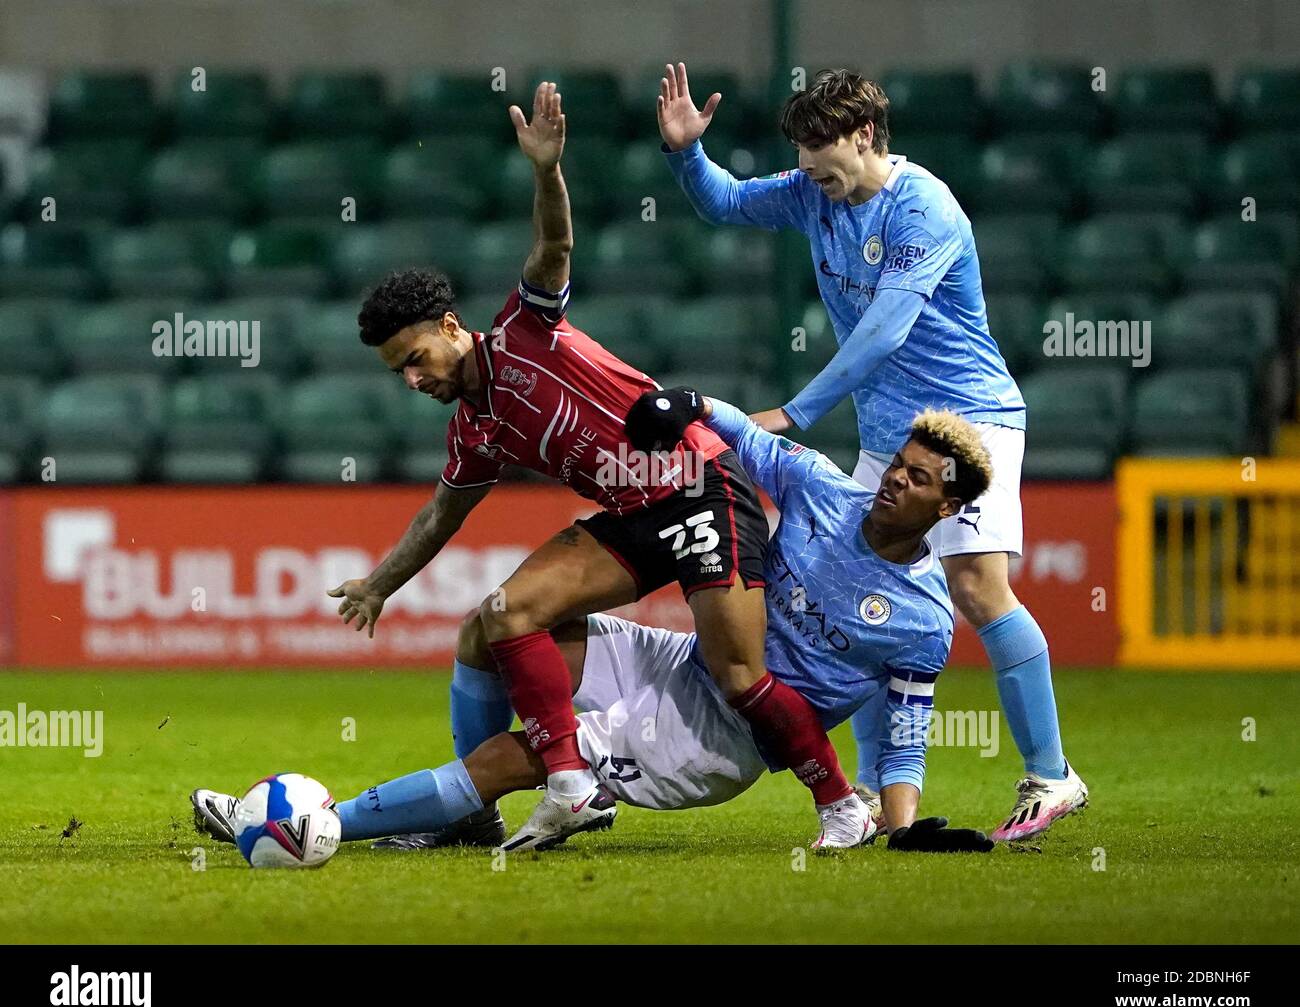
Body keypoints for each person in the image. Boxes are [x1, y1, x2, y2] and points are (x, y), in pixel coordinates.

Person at [326, 81, 869, 851]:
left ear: (452, 326)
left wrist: (547, 170)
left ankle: (842, 802)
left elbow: (554, 250)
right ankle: (560, 786)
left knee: (738, 674)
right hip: (636, 517)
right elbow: (441, 513)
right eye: (399, 375)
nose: (414, 381)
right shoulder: (474, 429)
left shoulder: (524, 333)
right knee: (502, 615)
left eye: (415, 359)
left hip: (701, 486)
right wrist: (379, 584)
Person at [192, 399, 996, 855]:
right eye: (897, 462)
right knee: (495, 626)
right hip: (685, 662)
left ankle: (320, 823)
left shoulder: (925, 621)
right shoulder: (828, 492)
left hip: (720, 740)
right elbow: (747, 440)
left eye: (918, 477)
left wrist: (900, 826)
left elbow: (904, 731)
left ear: (949, 506)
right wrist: (690, 406)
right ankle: (468, 817)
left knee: (531, 753)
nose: (893, 479)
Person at [656, 63, 1087, 841]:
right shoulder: (812, 193)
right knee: (865, 610)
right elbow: (721, 201)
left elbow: (885, 329)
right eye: (805, 165)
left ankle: (1052, 773)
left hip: (968, 418)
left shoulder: (924, 207)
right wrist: (687, 154)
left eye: (824, 162)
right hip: (888, 434)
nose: (812, 178)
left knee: (979, 589)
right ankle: (893, 818)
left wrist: (796, 410)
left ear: (865, 135)